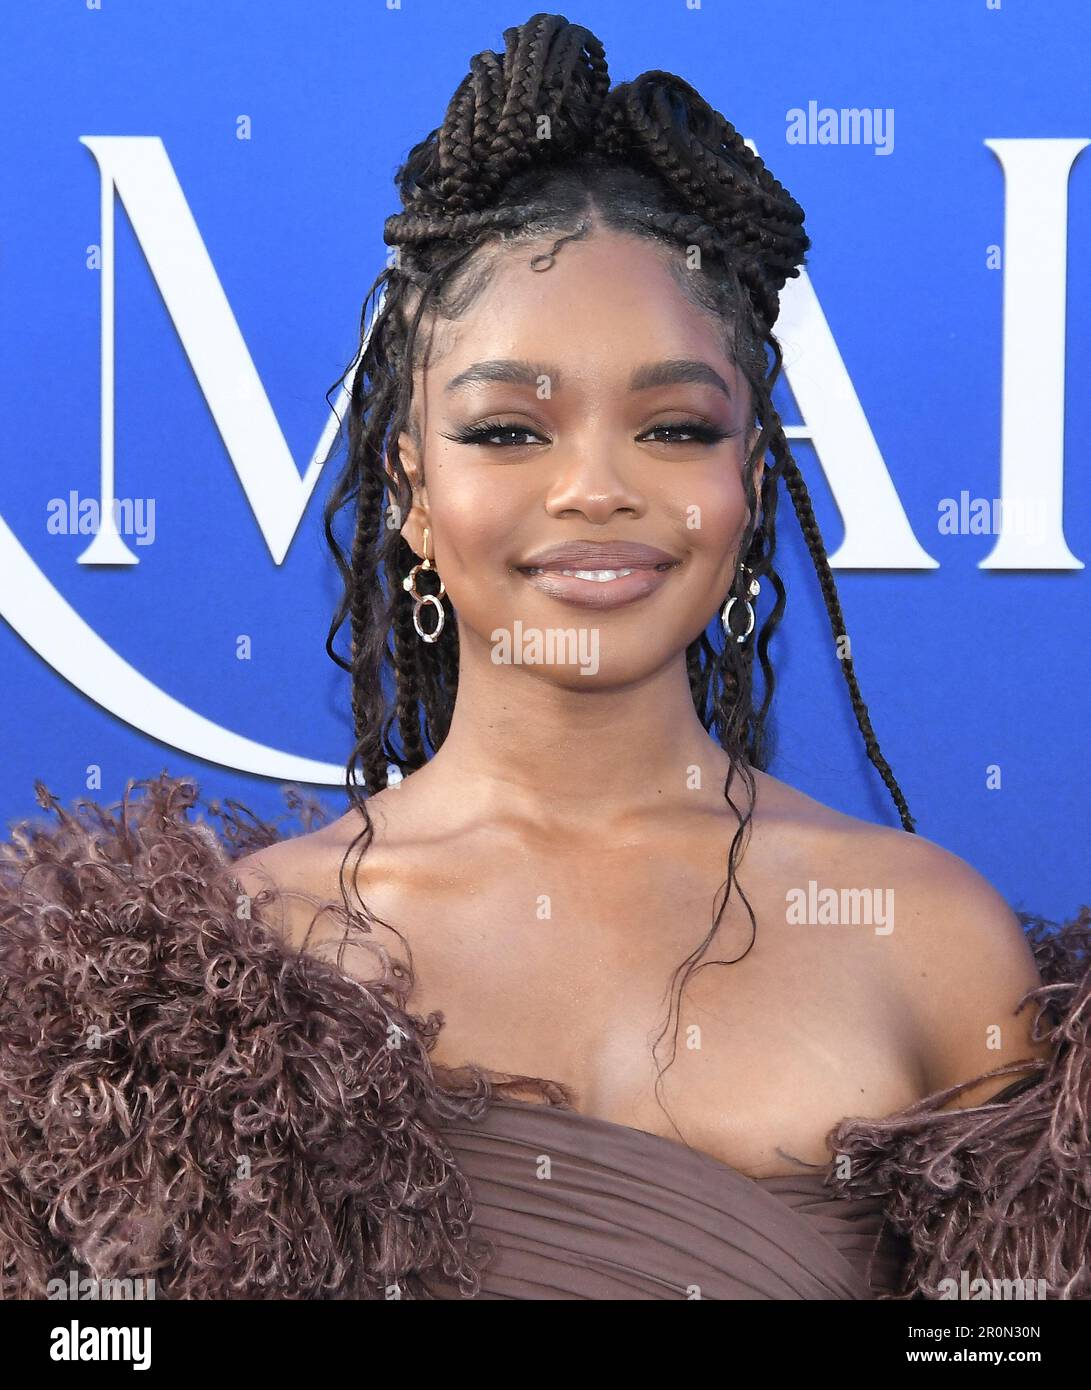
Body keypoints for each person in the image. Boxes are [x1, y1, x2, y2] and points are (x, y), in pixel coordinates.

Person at [1, 12, 1087, 1301]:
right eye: (510, 431)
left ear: (750, 478)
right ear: (410, 483)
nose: (595, 489)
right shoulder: (219, 974)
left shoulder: (928, 937)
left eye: (675, 426)